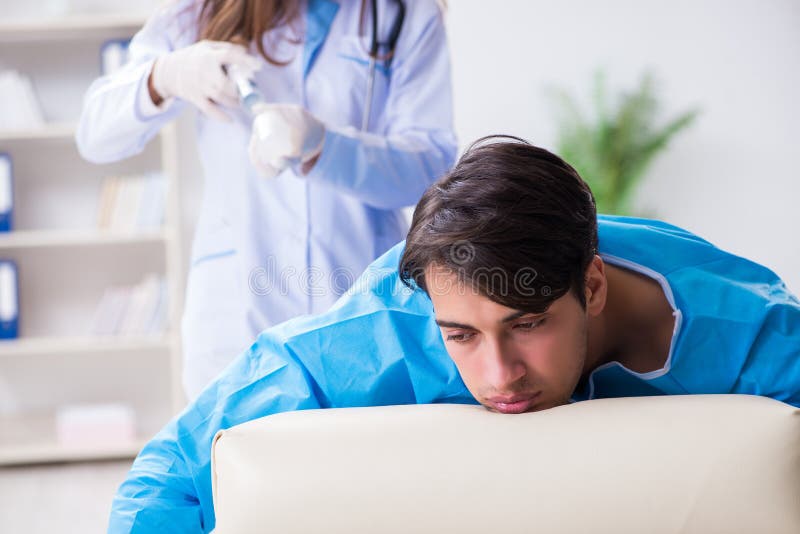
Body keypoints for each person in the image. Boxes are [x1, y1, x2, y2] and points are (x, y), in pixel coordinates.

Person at [108, 137, 800, 532]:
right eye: (462, 335)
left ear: (591, 288)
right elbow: (171, 470)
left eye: (526, 326)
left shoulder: (756, 338)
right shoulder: (391, 326)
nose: (499, 375)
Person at [76, 0, 457, 399]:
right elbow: (95, 133)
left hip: (357, 295)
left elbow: (430, 169)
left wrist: (326, 148)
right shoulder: (197, 13)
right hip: (237, 305)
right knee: (237, 455)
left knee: (356, 452)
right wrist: (165, 76)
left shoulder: (405, 14)